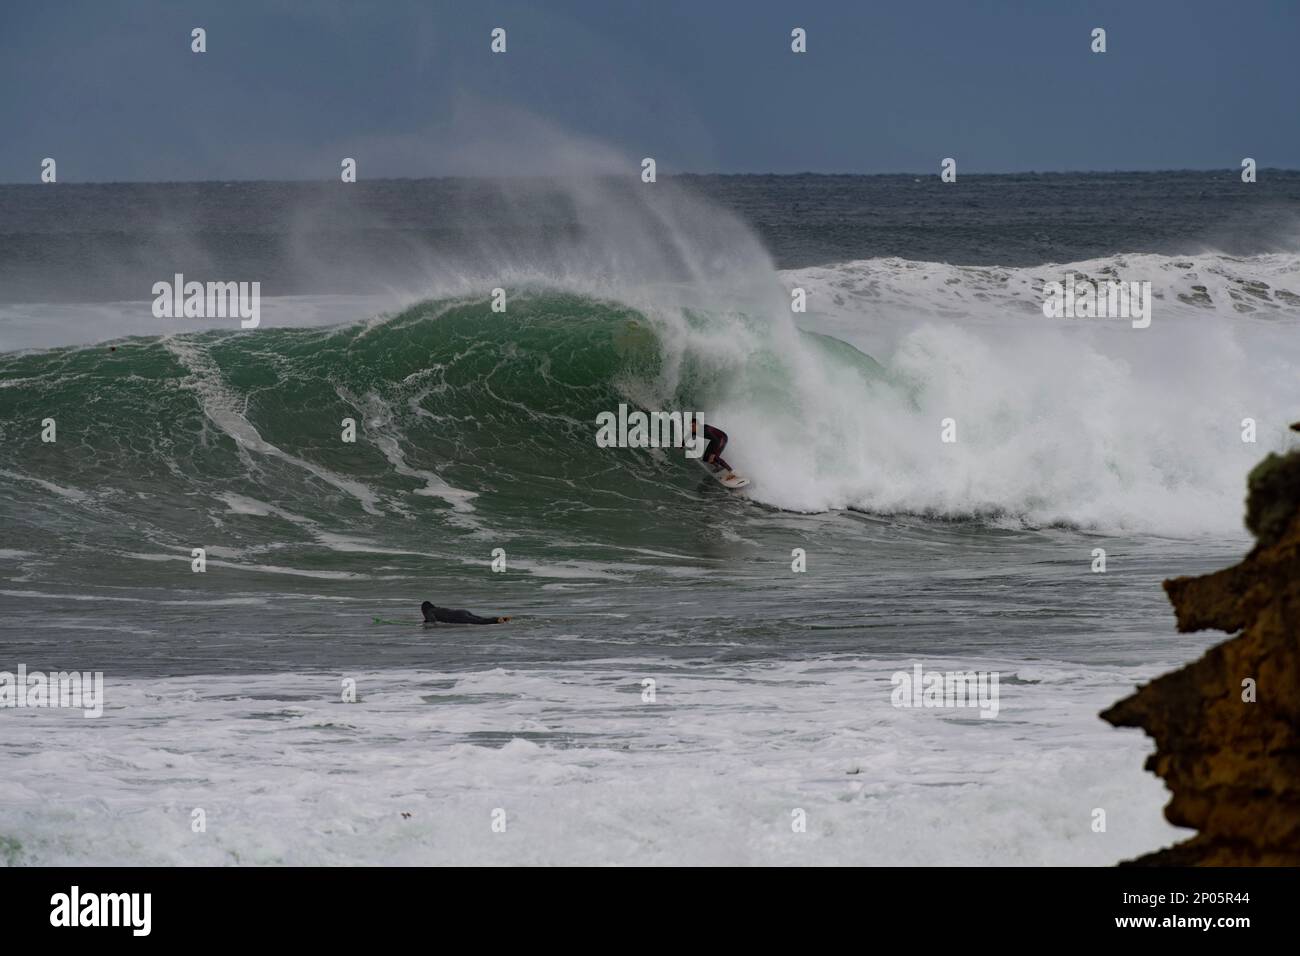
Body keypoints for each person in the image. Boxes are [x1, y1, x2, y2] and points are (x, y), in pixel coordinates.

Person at [421, 601, 510, 625]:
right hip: (461, 612)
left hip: (458, 617)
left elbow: (432, 621)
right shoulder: (437, 609)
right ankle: (502, 619)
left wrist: (426, 624)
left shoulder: (429, 611)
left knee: (480, 622)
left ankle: (500, 620)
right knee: (482, 619)